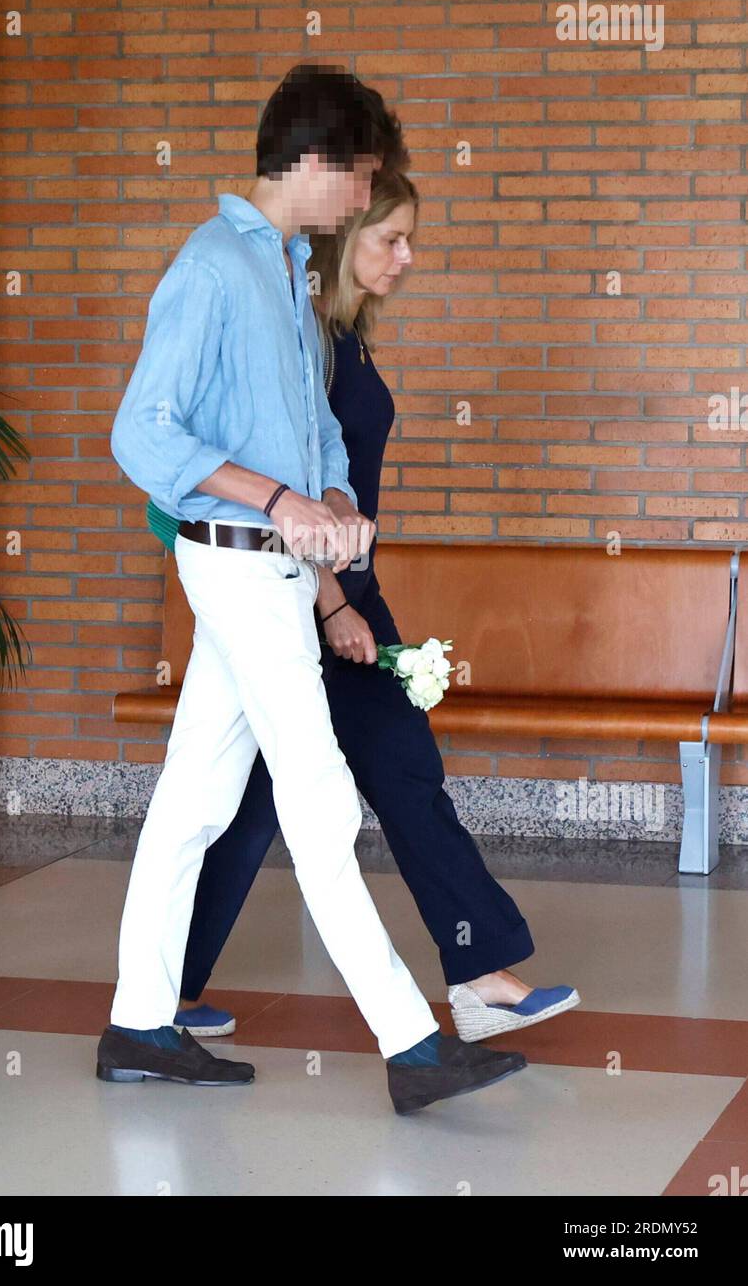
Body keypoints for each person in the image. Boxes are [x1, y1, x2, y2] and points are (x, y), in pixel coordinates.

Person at [101, 63, 526, 1115]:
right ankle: (411, 1044)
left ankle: (138, 1023)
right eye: (359, 181)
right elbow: (142, 432)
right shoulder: (209, 267)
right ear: (317, 161)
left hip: (277, 568)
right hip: (236, 562)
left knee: (190, 805)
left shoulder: (286, 270)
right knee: (323, 797)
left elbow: (320, 428)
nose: (359, 205)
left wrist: (329, 498)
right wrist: (283, 500)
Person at [156, 169, 580, 1047]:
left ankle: (165, 991)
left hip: (335, 584)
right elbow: (286, 483)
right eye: (391, 239)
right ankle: (474, 975)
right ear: (345, 241)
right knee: (396, 770)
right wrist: (333, 604)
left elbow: (330, 478)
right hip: (317, 593)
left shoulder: (341, 339)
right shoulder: (302, 335)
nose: (407, 257)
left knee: (258, 798)